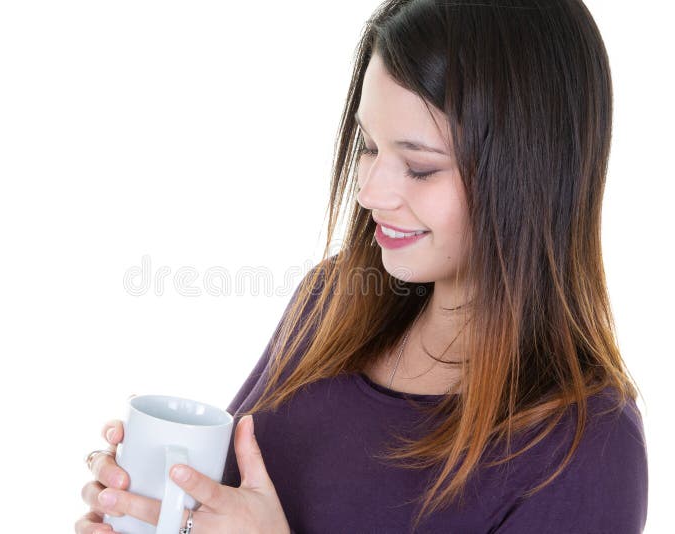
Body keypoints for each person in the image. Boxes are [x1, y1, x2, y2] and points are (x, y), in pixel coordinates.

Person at [75, 0, 648, 532]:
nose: (370, 191)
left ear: (533, 174)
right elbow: (219, 510)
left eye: (420, 167)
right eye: (368, 147)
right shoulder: (331, 300)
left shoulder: (585, 447)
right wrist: (145, 508)